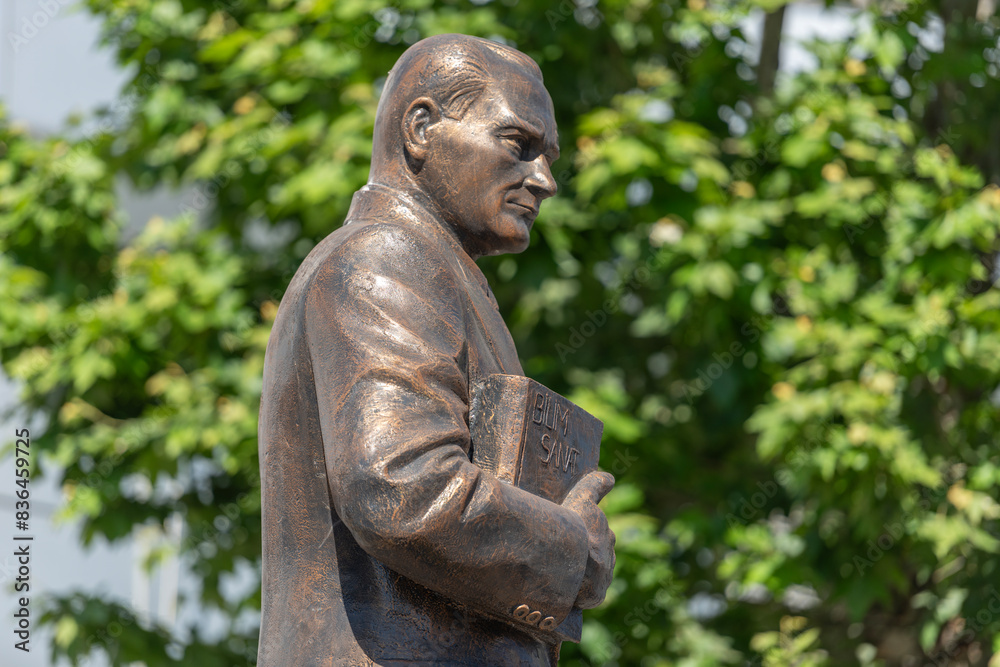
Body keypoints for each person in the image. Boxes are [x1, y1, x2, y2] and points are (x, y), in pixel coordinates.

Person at [258, 34, 615, 666]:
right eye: (518, 144)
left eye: (549, 156)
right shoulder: (384, 257)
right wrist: (570, 546)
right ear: (421, 128)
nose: (546, 180)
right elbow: (399, 489)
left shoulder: (440, 274)